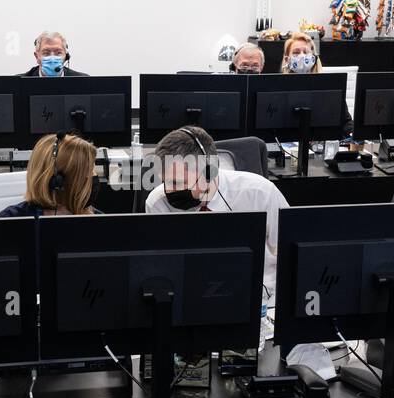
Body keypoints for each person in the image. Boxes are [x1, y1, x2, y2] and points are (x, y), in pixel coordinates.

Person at [145, 125, 287, 302]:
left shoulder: (260, 193)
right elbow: (163, 269)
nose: (169, 190)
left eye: (177, 182)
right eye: (166, 181)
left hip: (260, 297)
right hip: (192, 298)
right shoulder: (158, 203)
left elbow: (290, 256)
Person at [0, 133, 102, 217]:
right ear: (57, 181)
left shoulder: (98, 218)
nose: (93, 176)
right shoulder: (12, 219)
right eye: (88, 171)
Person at [280, 32, 353, 138]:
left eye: (306, 52)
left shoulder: (330, 88)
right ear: (287, 59)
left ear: (313, 58)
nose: (302, 56)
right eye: (296, 53)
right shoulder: (280, 88)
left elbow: (347, 123)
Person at [18, 31, 87, 77]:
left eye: (58, 53)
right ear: (37, 56)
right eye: (46, 53)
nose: (52, 58)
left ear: (66, 56)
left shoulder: (84, 81)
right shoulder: (18, 83)